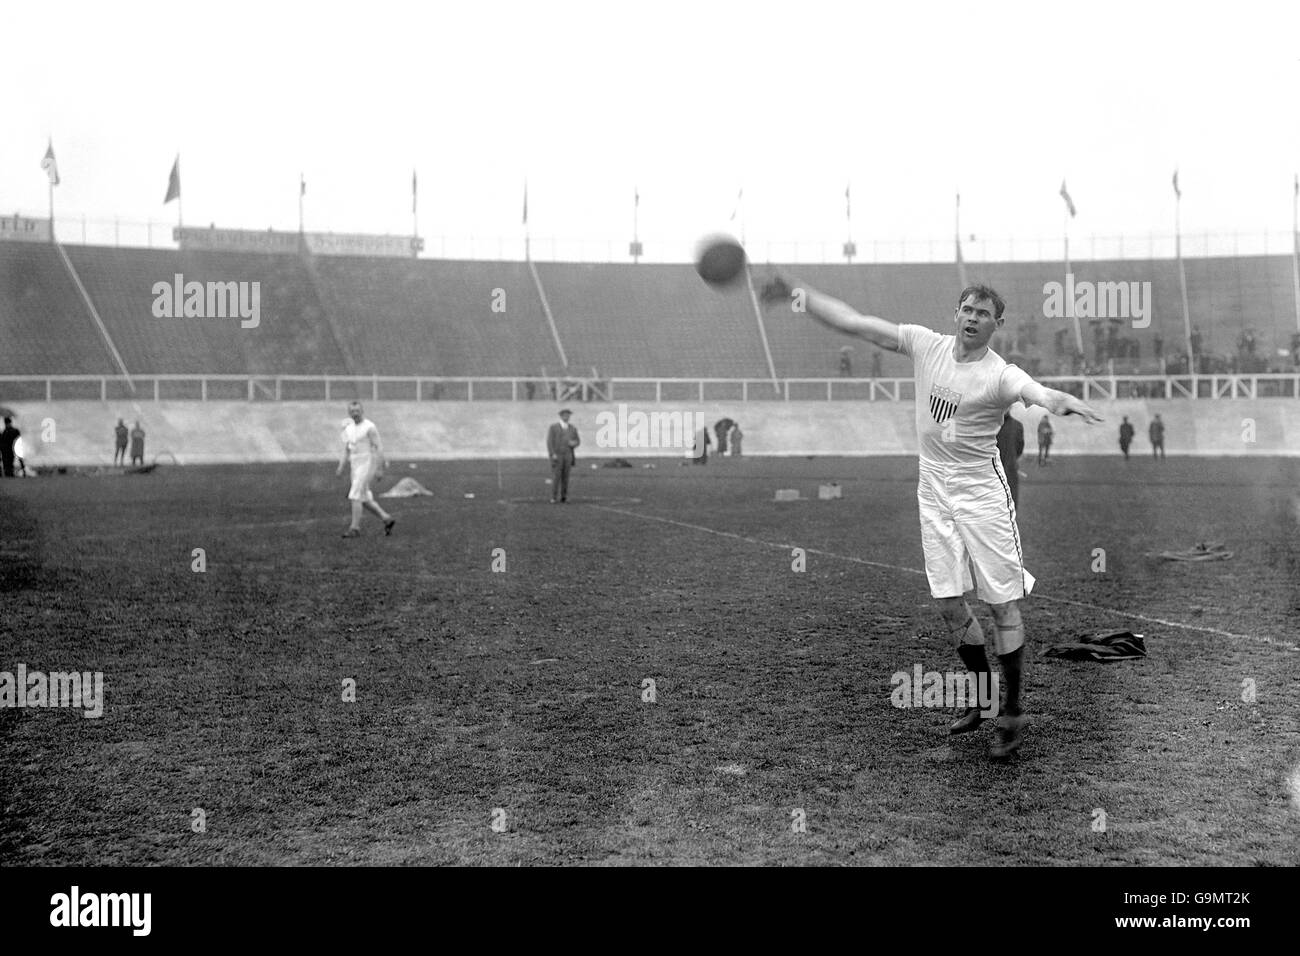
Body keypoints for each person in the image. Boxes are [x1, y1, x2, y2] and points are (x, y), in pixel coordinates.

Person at [761, 276, 1102, 759]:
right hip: (934, 488)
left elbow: (1033, 390)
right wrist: (800, 294)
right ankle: (982, 698)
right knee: (947, 602)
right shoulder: (927, 346)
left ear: (996, 324)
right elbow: (856, 323)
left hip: (981, 492)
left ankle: (1013, 710)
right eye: (966, 309)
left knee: (1002, 603)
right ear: (956, 313)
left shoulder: (999, 373)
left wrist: (1056, 400)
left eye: (982, 313)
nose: (971, 317)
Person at [336, 400, 396, 537]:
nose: (355, 413)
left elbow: (379, 447)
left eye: (357, 411)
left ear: (362, 411)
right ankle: (387, 519)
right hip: (355, 465)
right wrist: (341, 466)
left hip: (367, 463)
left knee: (355, 493)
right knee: (363, 497)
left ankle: (354, 528)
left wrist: (380, 468)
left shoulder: (370, 427)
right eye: (352, 411)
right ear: (349, 413)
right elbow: (346, 449)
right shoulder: (348, 429)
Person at [547, 408, 580, 503]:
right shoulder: (553, 427)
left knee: (566, 477)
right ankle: (553, 497)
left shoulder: (573, 428)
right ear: (561, 416)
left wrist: (574, 443)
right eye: (565, 415)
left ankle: (564, 496)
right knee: (556, 477)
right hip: (558, 455)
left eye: (568, 415)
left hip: (568, 455)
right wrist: (552, 453)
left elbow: (577, 441)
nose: (567, 417)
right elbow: (550, 442)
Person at [995, 411, 1024, 507]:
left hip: (1005, 472)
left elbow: (1019, 448)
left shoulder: (989, 426)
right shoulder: (1017, 425)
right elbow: (1019, 449)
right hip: (1001, 472)